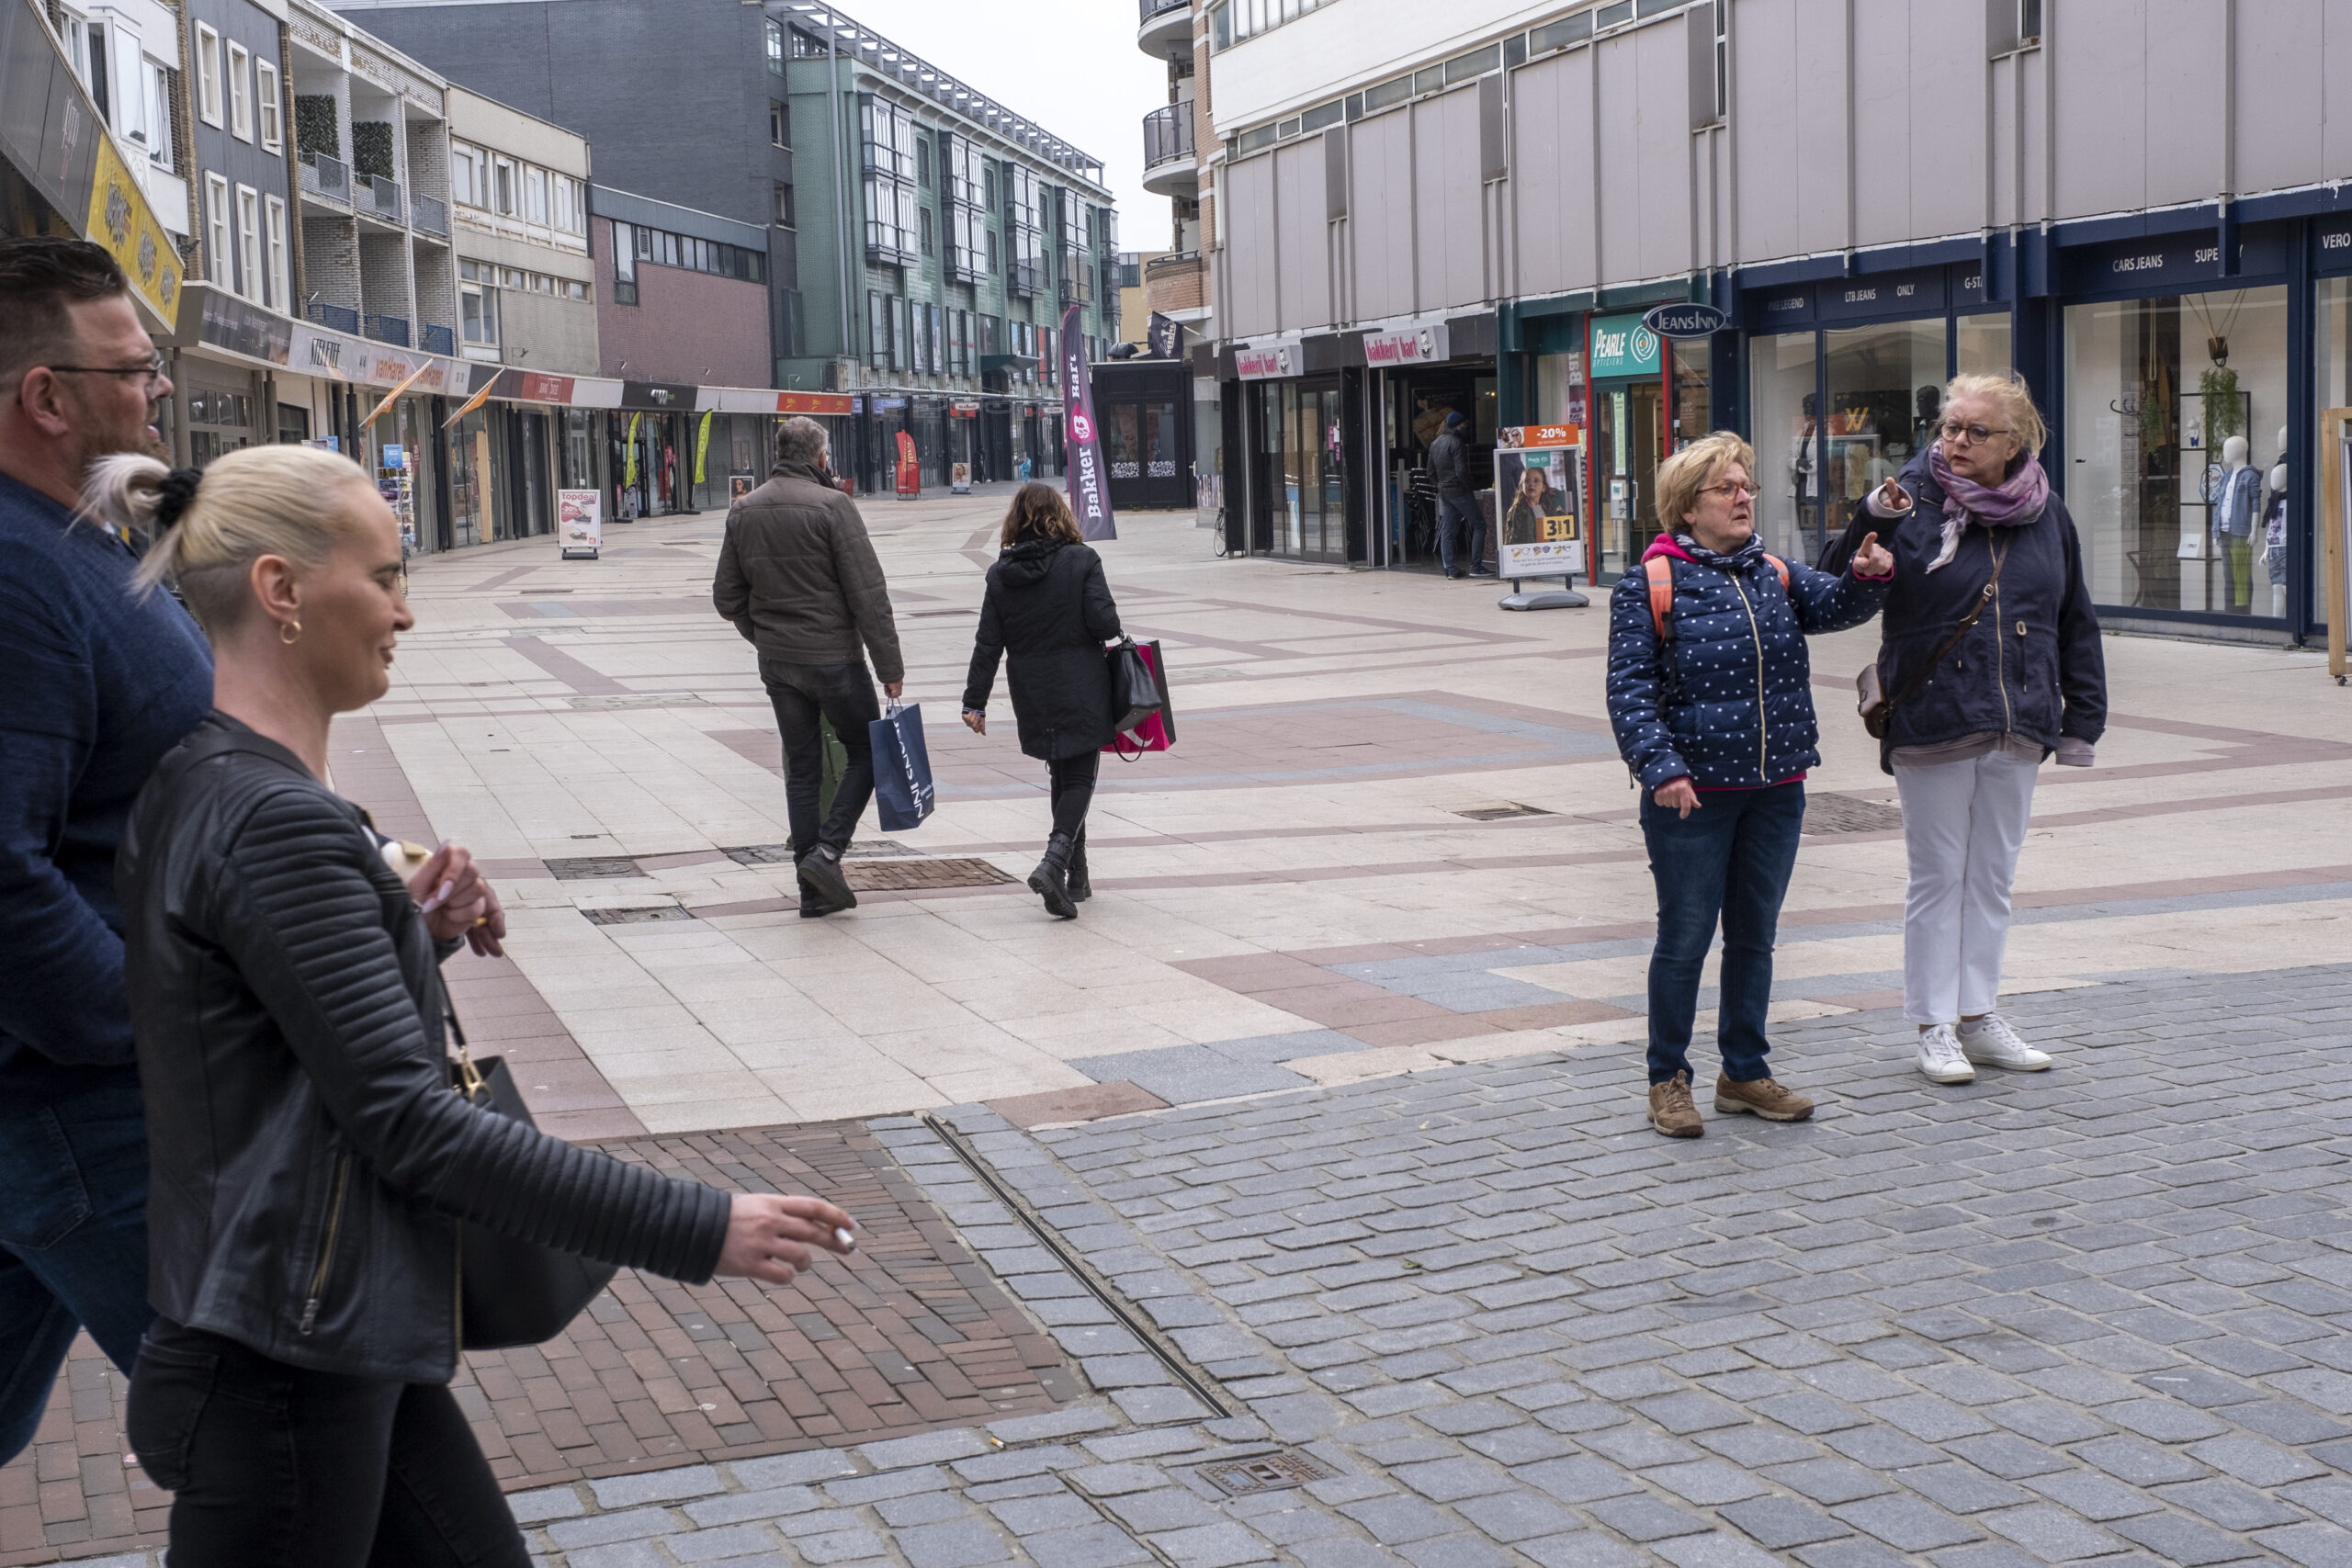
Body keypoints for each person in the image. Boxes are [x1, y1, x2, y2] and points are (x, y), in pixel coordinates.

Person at [100, 445, 856, 1566]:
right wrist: (701, 1227)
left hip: (322, 1333)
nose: (406, 611)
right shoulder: (276, 821)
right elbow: (410, 1127)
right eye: (388, 576)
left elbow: (263, 1037)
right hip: (284, 1363)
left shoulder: (206, 780)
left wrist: (403, 929)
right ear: (281, 590)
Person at [0, 237, 214, 1466]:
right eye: (138, 368)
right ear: (48, 396)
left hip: (58, 1102)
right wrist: (147, 1020)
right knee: (280, 1418)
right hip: (86, 1116)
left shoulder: (72, 541)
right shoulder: (16, 575)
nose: (161, 391)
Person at [1607, 432, 1894, 1139]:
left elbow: (1838, 608)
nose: (1743, 497)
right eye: (1727, 488)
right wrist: (1660, 766)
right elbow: (1629, 690)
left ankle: (1743, 1071)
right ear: (1688, 505)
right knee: (1685, 937)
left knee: (1755, 937)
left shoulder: (1770, 570)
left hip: (1777, 785)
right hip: (1693, 795)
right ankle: (1667, 1078)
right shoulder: (1651, 584)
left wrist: (1866, 575)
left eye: (1746, 486)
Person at [1850, 372, 2105, 1087]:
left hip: (2018, 716)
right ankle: (1934, 1024)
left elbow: (2074, 617)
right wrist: (1870, 536)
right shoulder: (1910, 498)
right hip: (1934, 712)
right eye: (1950, 428)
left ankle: (1979, 1014)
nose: (1957, 442)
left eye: (1975, 431)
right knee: (1938, 876)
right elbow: (1844, 568)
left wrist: (2082, 717)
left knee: (1992, 876)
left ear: (2013, 443)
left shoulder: (2046, 512)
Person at [713, 416, 904, 917]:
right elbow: (868, 593)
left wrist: (765, 637)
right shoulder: (834, 506)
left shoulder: (744, 510)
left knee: (801, 767)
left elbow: (726, 596)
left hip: (780, 664)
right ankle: (827, 852)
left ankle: (811, 891)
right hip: (834, 659)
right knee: (867, 752)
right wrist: (890, 667)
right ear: (819, 457)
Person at [961, 483, 1123, 919]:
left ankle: (1078, 874)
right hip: (1082, 685)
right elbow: (1106, 624)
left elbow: (987, 643)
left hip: (1032, 690)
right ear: (1060, 516)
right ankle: (1053, 864)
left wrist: (974, 702)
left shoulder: (1000, 574)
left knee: (1060, 771)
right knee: (1079, 777)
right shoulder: (1082, 560)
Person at [1428, 410, 1487, 578]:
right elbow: (1461, 470)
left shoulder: (1435, 443)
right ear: (1459, 426)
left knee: (1447, 529)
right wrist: (1469, 486)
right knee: (1479, 524)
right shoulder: (1456, 443)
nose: (1466, 428)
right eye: (1465, 425)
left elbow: (1430, 472)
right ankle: (1476, 566)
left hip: (1445, 491)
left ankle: (1450, 568)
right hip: (1459, 491)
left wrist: (1440, 485)